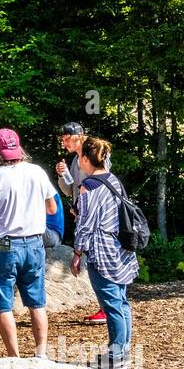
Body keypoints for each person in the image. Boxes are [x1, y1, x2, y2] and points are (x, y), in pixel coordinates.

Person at [0, 129, 59, 358]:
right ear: (19, 148)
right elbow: (52, 208)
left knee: (2, 303)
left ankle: (15, 357)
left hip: (2, 245)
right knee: (37, 301)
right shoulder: (37, 172)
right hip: (34, 244)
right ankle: (41, 354)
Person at [70, 136, 139, 369]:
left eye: (80, 157)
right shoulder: (113, 180)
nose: (78, 161)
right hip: (121, 248)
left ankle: (116, 354)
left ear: (87, 159)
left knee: (111, 303)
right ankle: (124, 350)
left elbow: (85, 224)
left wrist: (77, 252)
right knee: (121, 301)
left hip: (102, 251)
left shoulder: (88, 187)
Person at [55, 121, 108, 325]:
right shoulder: (76, 160)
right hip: (83, 216)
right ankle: (106, 307)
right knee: (94, 260)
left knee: (99, 261)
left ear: (79, 136)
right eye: (62, 140)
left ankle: (108, 308)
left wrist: (86, 208)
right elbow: (71, 189)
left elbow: (100, 184)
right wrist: (62, 175)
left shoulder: (95, 154)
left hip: (98, 218)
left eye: (66, 139)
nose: (64, 143)